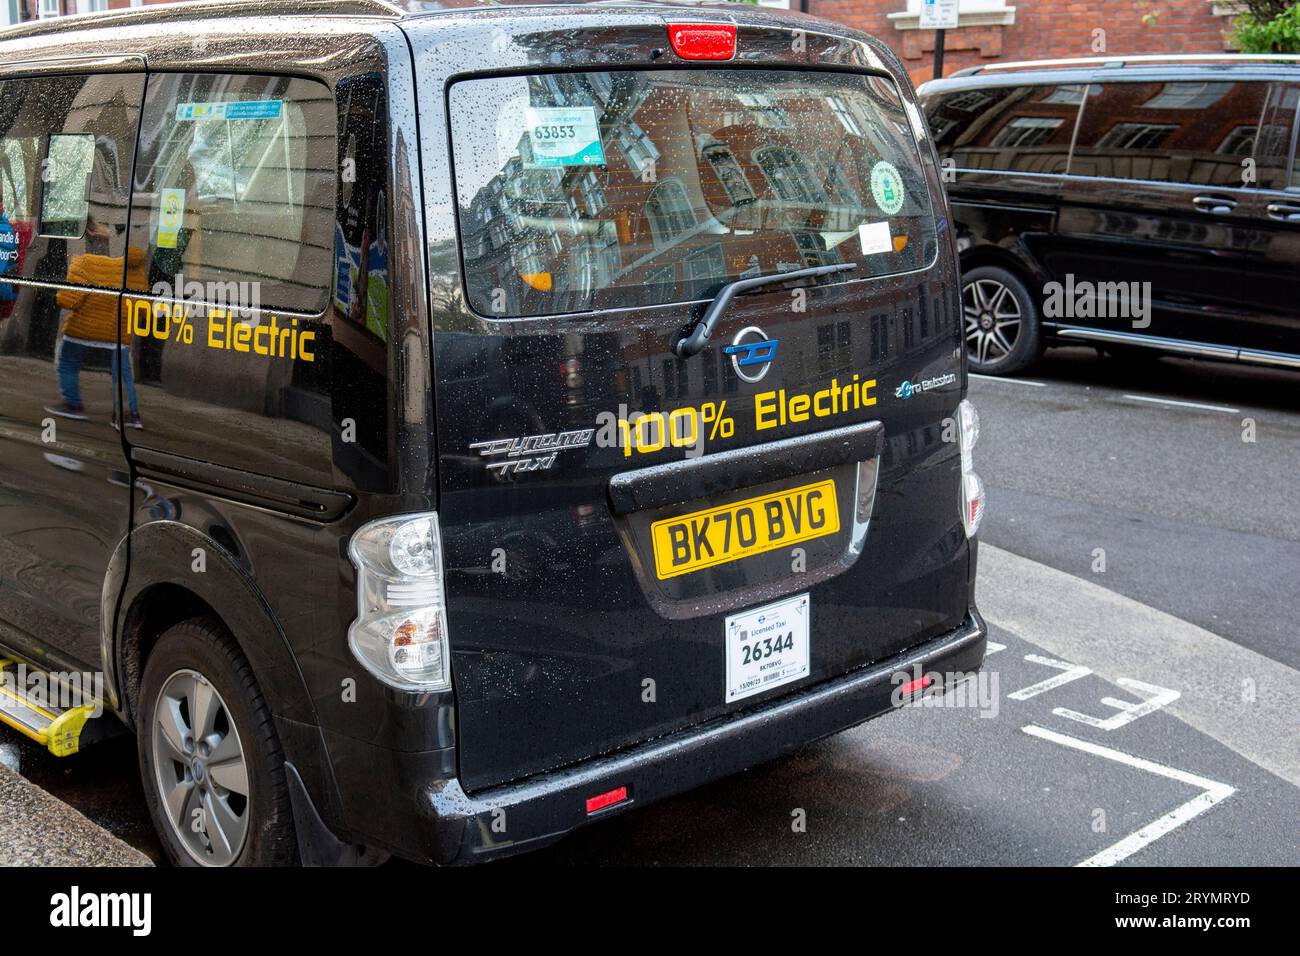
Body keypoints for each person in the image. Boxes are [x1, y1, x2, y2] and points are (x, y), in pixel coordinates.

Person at [44, 217, 149, 429]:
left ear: (87, 235)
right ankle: (133, 414)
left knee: (68, 362)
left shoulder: (83, 263)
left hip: (84, 330)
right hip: (119, 333)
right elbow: (143, 304)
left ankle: (73, 405)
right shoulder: (135, 270)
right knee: (122, 371)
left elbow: (68, 300)